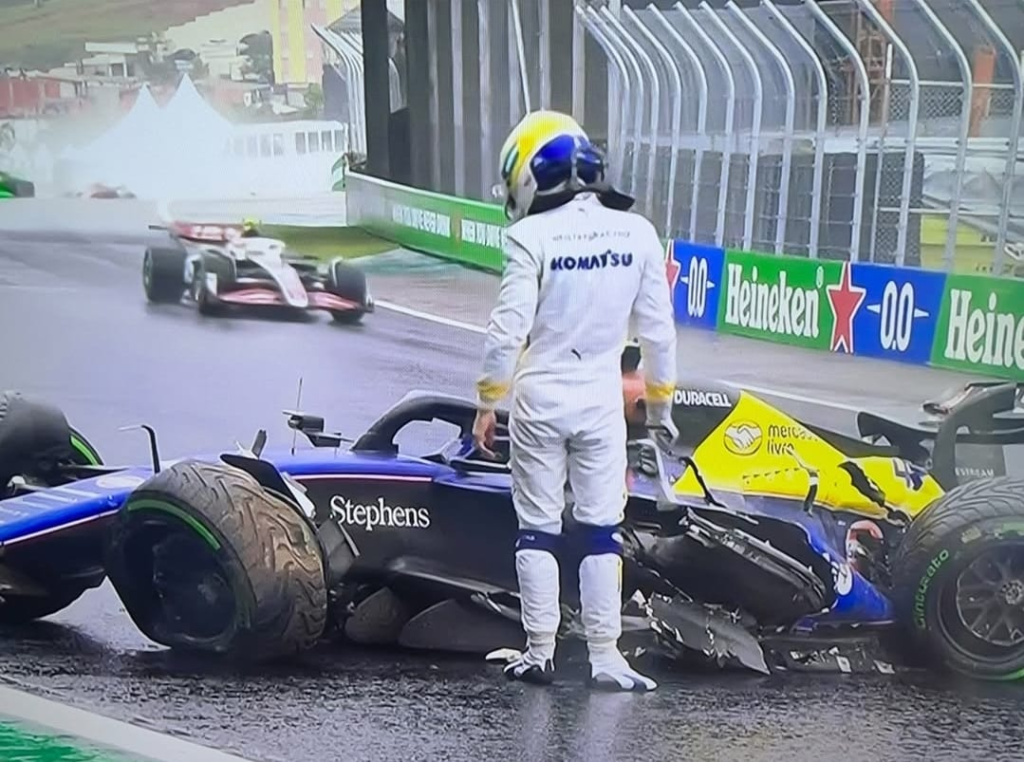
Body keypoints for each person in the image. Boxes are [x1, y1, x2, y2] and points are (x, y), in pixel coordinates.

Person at [471, 110, 679, 691]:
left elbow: (506, 330)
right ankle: (606, 657)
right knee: (600, 529)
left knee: (536, 528)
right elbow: (659, 332)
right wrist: (660, 408)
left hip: (540, 399)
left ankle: (540, 651)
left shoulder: (528, 236)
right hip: (599, 400)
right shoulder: (637, 232)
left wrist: (488, 401)